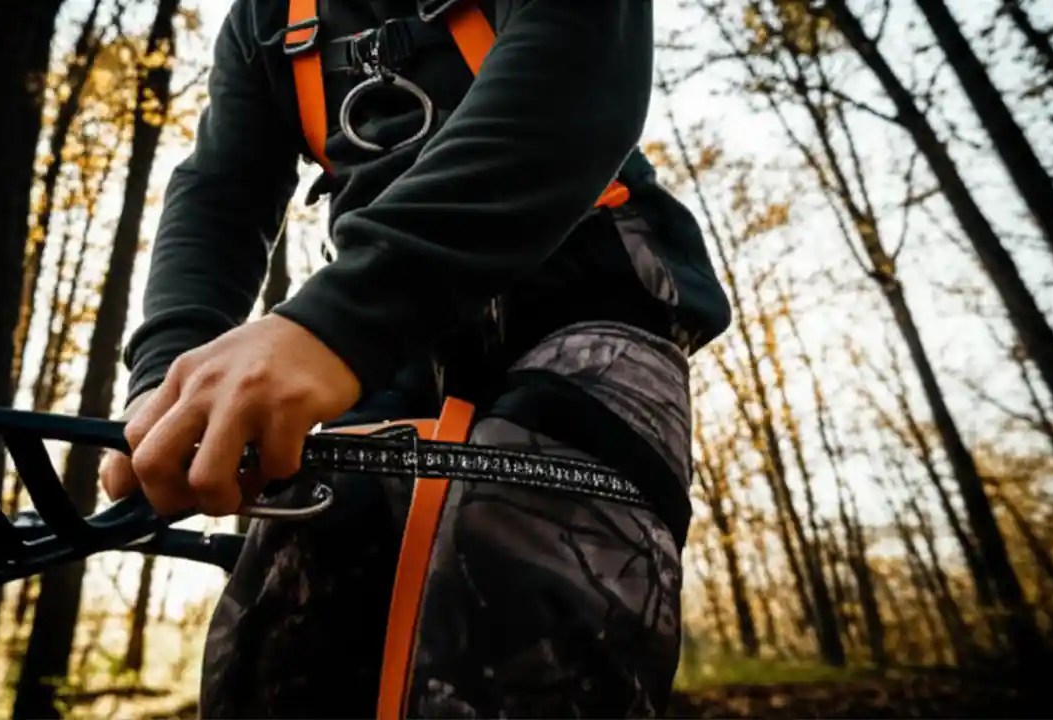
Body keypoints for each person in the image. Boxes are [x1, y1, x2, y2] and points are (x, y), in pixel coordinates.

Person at [100, 0, 730, 716]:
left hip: (588, 289)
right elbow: (220, 193)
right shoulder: (265, 22)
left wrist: (334, 324)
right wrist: (168, 381)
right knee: (289, 615)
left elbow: (571, 83)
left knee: (526, 581)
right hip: (379, 348)